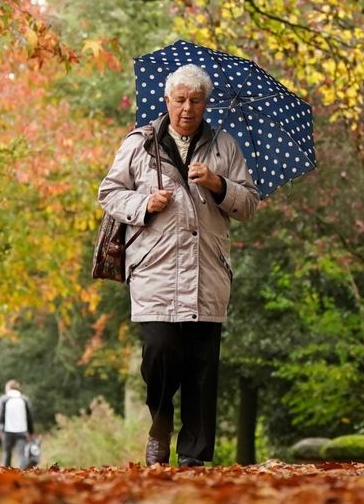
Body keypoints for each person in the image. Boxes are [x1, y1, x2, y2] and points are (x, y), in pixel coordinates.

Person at [97, 63, 260, 466]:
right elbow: (109, 193)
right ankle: (160, 423)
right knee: (160, 353)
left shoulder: (225, 146)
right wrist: (142, 203)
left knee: (202, 367)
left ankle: (194, 456)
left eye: (196, 100)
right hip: (155, 269)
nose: (188, 108)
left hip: (208, 270)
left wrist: (218, 184)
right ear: (167, 100)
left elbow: (249, 204)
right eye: (180, 99)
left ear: (206, 103)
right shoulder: (139, 144)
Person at [0, 380, 34, 469]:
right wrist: (31, 431)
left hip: (7, 432)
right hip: (22, 431)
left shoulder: (4, 399)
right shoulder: (24, 399)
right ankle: (23, 475)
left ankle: (5, 475)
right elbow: (29, 417)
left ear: (8, 388)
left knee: (6, 454)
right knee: (22, 455)